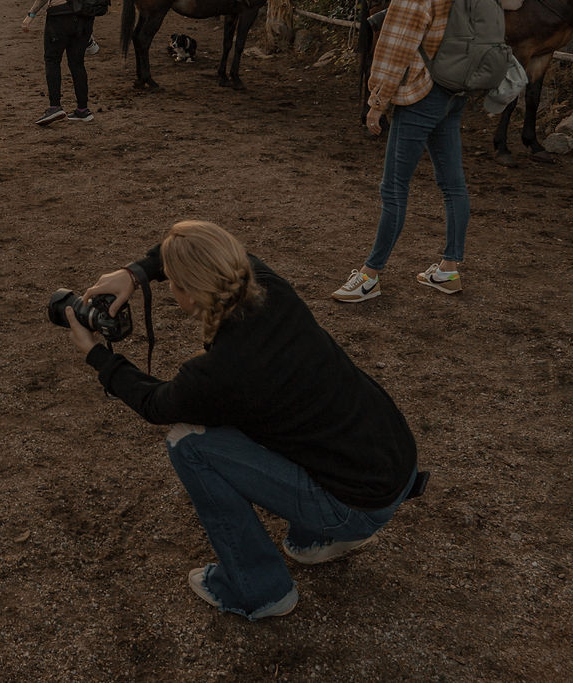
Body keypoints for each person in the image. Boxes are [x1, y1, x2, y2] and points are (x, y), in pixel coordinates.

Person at [67, 221, 421, 620]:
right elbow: (208, 240)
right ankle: (314, 540)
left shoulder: (218, 373)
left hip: (357, 504)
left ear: (187, 292)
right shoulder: (266, 285)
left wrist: (97, 354)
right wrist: (135, 273)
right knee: (295, 416)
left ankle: (261, 591)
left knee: (188, 442)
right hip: (396, 465)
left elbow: (154, 403)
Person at [334, 0, 472, 303]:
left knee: (393, 188)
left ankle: (370, 275)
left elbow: (396, 48)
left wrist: (377, 101)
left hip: (420, 95)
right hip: (451, 91)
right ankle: (448, 269)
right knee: (452, 184)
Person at [21, 0, 94, 125]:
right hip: (84, 18)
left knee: (52, 60)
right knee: (77, 63)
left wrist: (31, 14)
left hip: (60, 18)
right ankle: (83, 109)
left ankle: (55, 107)